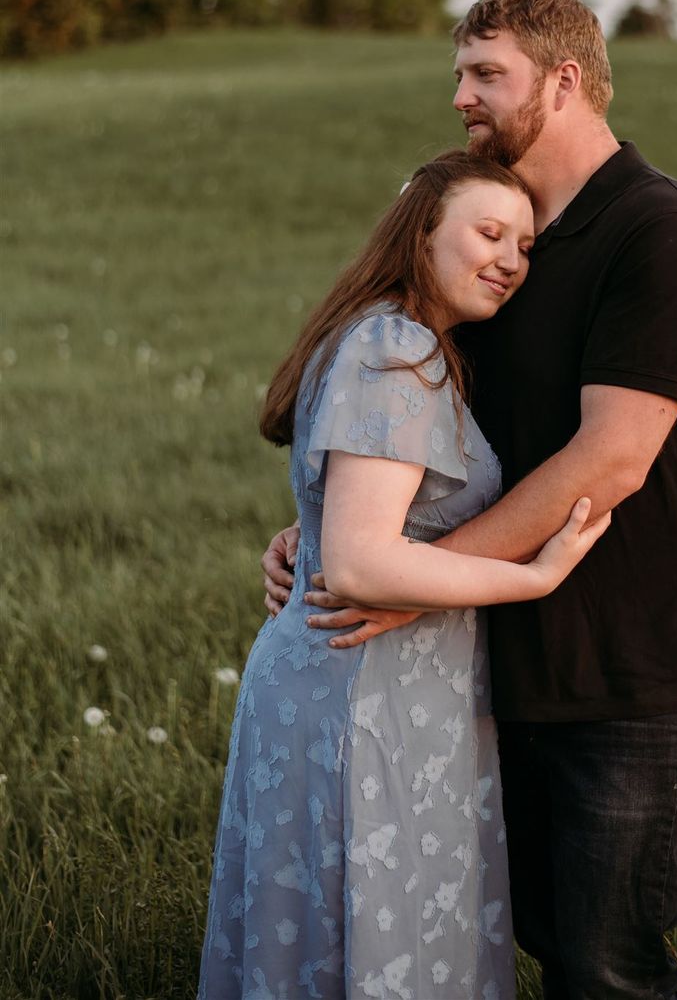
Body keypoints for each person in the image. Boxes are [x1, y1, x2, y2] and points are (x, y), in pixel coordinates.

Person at [264, 0, 677, 999]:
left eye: (485, 73)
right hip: (490, 653)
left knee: (605, 963)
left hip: (623, 663)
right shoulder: (503, 244)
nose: (460, 97)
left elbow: (608, 459)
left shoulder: (661, 234)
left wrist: (415, 577)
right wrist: (338, 526)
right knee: (524, 939)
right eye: (458, 74)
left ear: (563, 81)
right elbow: (440, 434)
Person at [199, 150, 610, 1000]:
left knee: (353, 939)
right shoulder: (398, 346)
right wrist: (532, 578)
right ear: (419, 234)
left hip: (370, 692)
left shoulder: (385, 336)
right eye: (489, 233)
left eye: (526, 246)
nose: (510, 260)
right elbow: (359, 562)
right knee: (370, 940)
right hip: (363, 700)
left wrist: (305, 533)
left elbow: (360, 514)